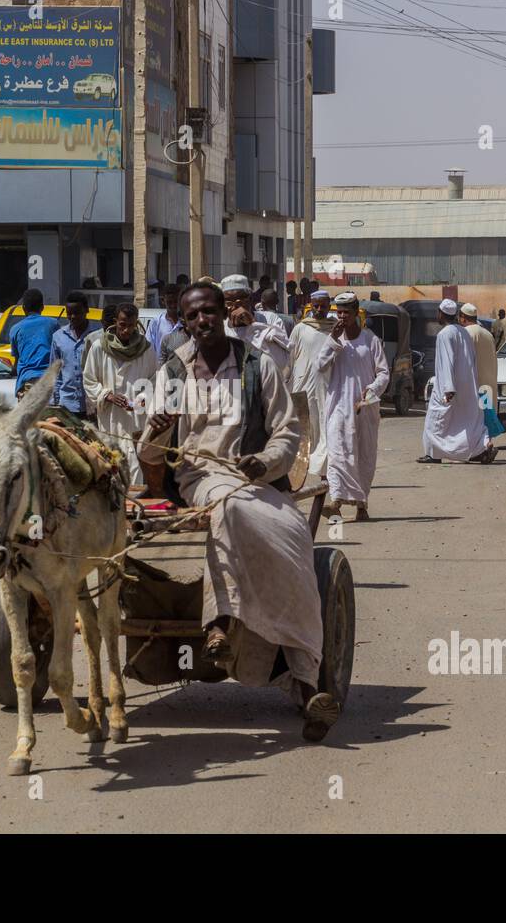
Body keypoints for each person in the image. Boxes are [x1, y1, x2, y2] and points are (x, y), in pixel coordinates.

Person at [138, 282, 340, 741]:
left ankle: (307, 678)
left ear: (224, 312)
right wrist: (157, 430)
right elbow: (149, 456)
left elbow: (287, 432)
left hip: (259, 482)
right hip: (201, 480)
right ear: (184, 321)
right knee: (226, 507)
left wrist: (265, 462)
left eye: (209, 311)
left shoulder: (257, 365)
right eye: (193, 315)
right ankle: (220, 623)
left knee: (294, 539)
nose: (202, 321)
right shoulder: (173, 373)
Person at [318, 292, 390, 521]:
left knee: (363, 455)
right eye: (339, 312)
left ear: (355, 312)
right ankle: (336, 501)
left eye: (346, 313)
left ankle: (361, 504)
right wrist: (333, 341)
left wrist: (371, 391)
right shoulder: (333, 339)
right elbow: (320, 366)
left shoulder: (370, 340)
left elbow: (383, 373)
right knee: (337, 452)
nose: (342, 317)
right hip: (338, 405)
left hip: (364, 407)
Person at [83, 303, 157, 486]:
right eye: (122, 325)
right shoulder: (99, 347)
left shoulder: (146, 350)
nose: (126, 330)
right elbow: (89, 379)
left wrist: (139, 401)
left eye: (131, 326)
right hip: (110, 417)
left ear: (136, 324)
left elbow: (154, 381)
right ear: (115, 322)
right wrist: (107, 395)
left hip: (136, 419)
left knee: (135, 465)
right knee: (111, 462)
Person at [420, 298, 496, 465]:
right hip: (468, 384)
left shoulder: (444, 334)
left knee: (436, 419)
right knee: (467, 421)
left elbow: (446, 362)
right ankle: (480, 449)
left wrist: (449, 388)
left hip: (449, 386)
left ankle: (434, 454)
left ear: (441, 314)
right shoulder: (463, 332)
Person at [288, 289, 335, 479]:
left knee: (326, 427)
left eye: (323, 306)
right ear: (310, 305)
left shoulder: (335, 328)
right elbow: (289, 358)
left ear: (329, 306)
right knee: (305, 427)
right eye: (316, 306)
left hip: (328, 386)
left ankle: (324, 469)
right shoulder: (300, 328)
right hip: (303, 386)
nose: (319, 309)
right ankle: (302, 467)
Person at [221, 274, 290, 378]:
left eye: (240, 301)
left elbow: (283, 359)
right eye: (229, 302)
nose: (235, 307)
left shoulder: (270, 319)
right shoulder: (220, 328)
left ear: (250, 299)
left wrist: (253, 325)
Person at [460, 302, 501, 439]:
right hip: (488, 384)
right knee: (486, 417)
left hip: (474, 385)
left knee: (474, 419)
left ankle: (477, 445)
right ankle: (486, 443)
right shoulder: (487, 334)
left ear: (463, 318)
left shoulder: (466, 333)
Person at [50, 290, 95, 418]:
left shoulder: (96, 336)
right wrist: (54, 402)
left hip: (91, 406)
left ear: (86, 310)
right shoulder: (58, 337)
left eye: (77, 313)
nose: (73, 317)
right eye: (69, 313)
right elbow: (55, 373)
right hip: (66, 404)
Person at [9, 287, 57, 399]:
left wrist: (12, 371)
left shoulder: (15, 329)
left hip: (27, 383)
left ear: (23, 308)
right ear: (42, 307)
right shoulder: (53, 324)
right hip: (50, 381)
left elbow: (17, 361)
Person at [146, 276, 184, 360]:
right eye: (169, 302)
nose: (173, 305)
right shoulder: (156, 322)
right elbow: (149, 347)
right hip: (161, 366)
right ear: (163, 301)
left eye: (176, 301)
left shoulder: (186, 323)